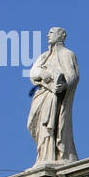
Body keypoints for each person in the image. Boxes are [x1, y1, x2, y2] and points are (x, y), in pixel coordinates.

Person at [27, 26, 79, 163]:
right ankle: (43, 155)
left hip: (55, 97)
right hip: (42, 94)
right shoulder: (44, 56)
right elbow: (32, 73)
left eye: (52, 32)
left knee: (51, 125)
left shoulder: (67, 54)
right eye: (48, 32)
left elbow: (73, 75)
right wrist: (43, 74)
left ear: (61, 35)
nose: (48, 35)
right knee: (32, 122)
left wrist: (65, 85)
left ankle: (49, 157)